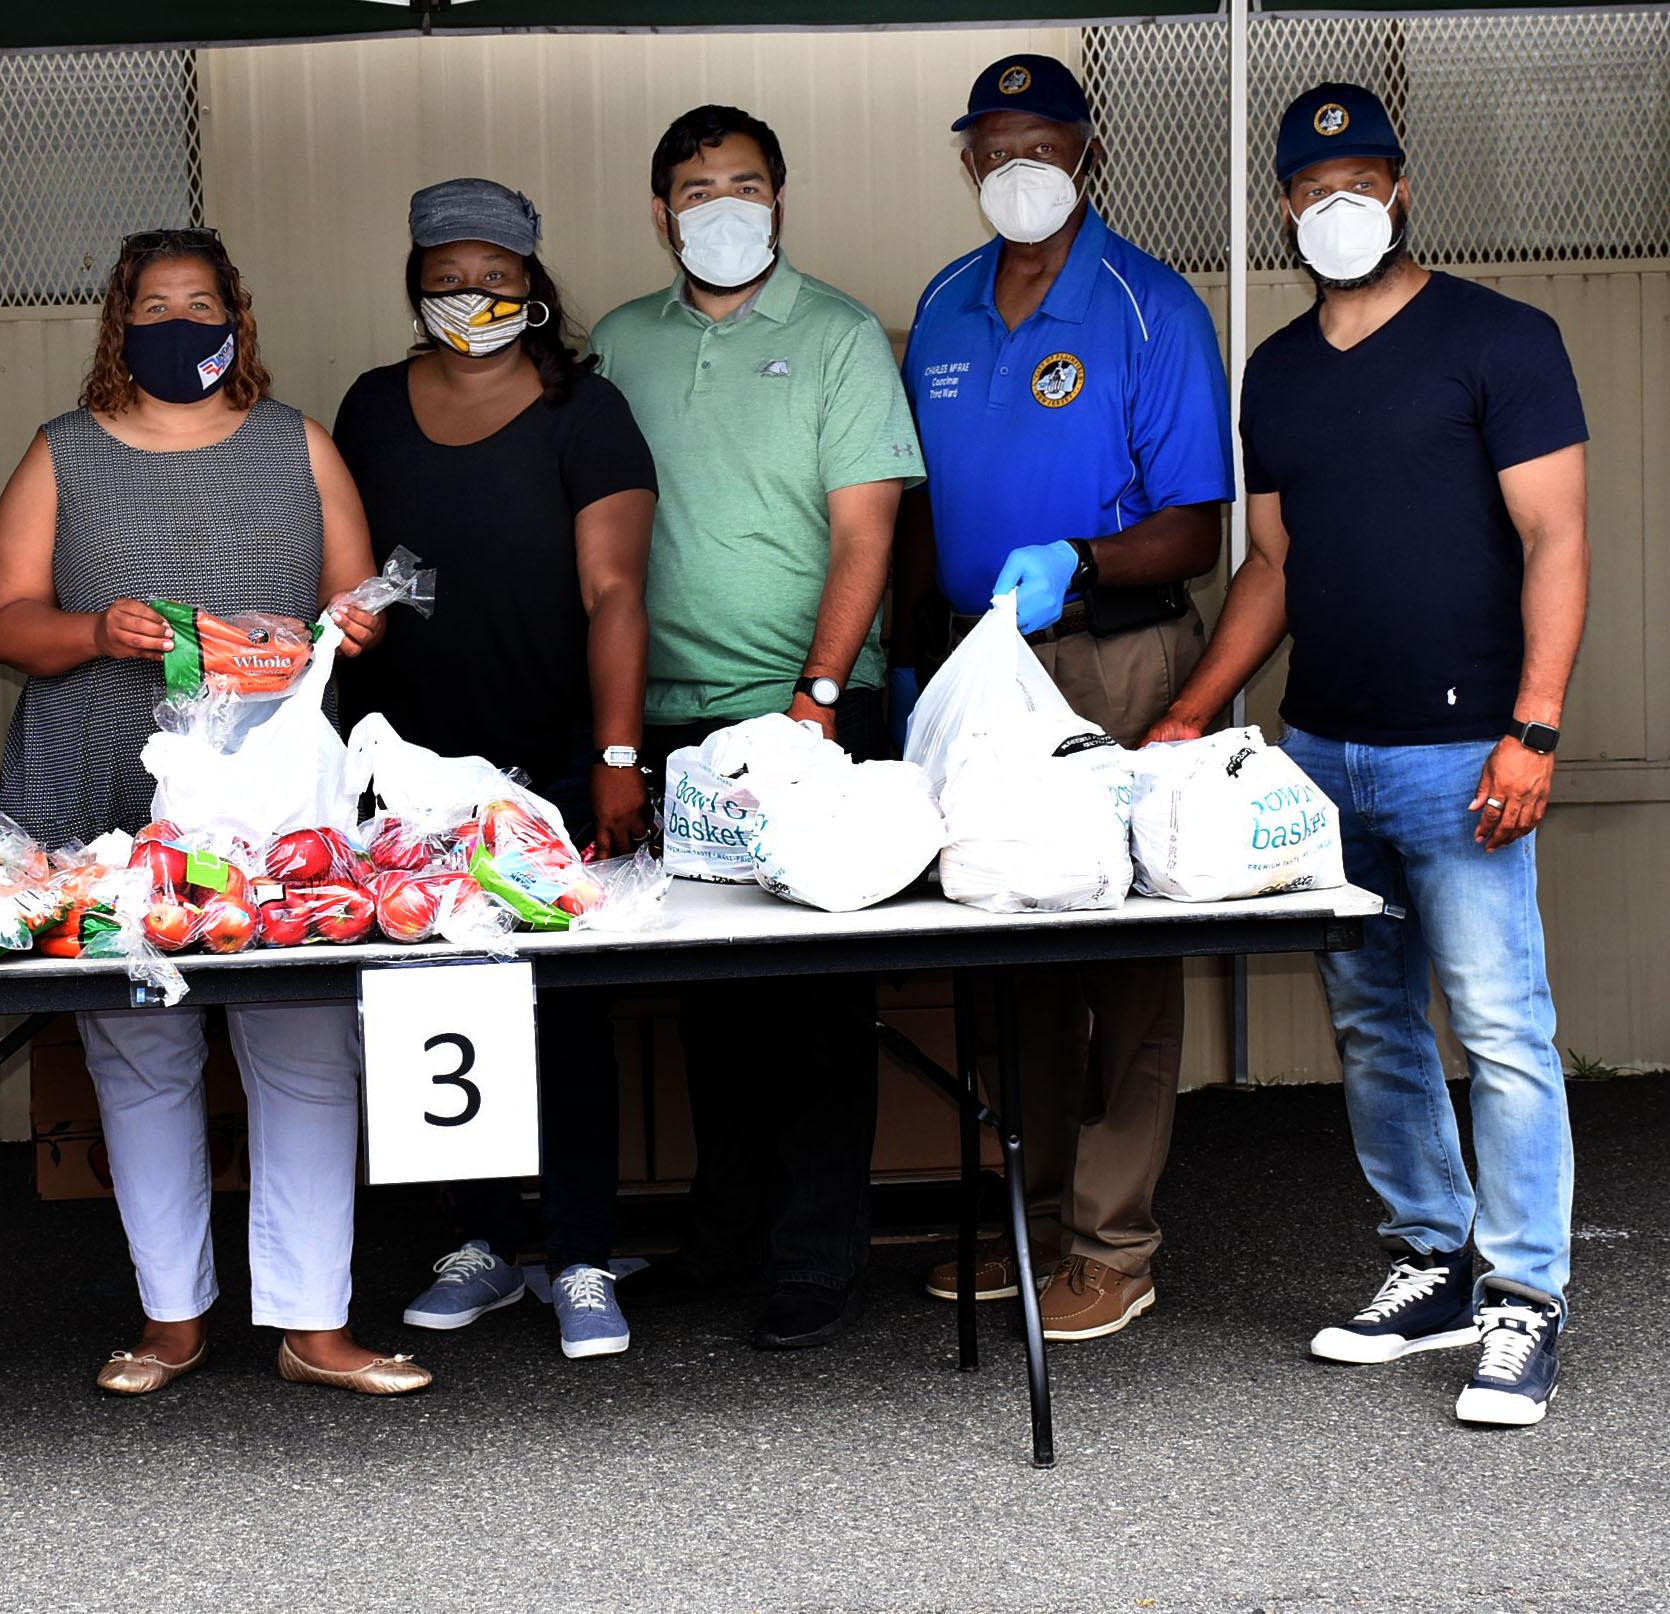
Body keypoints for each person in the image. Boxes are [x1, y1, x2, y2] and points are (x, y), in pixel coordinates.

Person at [1144, 84, 1588, 1424]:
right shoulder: (1273, 369)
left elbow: (1554, 540)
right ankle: (1426, 1262)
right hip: (1321, 751)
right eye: (1312, 181)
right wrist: (1190, 706)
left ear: (1398, 187)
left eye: (1362, 175)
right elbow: (1271, 565)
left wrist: (1535, 723)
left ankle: (1523, 1299)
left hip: (1464, 752)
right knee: (1371, 1020)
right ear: (1282, 202)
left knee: (1501, 1025)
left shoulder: (1500, 340)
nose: (1337, 200)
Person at [0, 227, 428, 1398]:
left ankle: (312, 1320)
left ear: (240, 317)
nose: (180, 323)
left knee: (306, 1047)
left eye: (200, 301)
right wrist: (94, 631)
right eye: (154, 304)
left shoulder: (298, 445)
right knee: (140, 1051)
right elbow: (2, 622)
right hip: (105, 785)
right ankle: (170, 1316)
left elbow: (356, 592)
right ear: (120, 324)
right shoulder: (62, 453)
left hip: (269, 796)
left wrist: (358, 619)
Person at [900, 56, 1233, 1341]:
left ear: (1085, 153)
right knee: (1012, 942)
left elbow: (1198, 531)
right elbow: (920, 498)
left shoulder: (1149, 307)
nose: (1017, 170)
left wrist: (1081, 562)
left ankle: (1115, 1243)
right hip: (981, 672)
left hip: (1114, 655)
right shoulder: (942, 305)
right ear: (968, 159)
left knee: (1124, 958)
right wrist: (913, 655)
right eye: (994, 148)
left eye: (1042, 145)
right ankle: (1034, 1228)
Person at [589, 105, 923, 1350]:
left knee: (817, 1007)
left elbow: (868, 532)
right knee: (708, 1003)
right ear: (660, 210)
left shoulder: (837, 336)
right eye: (694, 186)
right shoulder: (620, 342)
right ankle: (722, 1236)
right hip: (669, 724)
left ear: (781, 200)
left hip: (810, 718)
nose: (720, 205)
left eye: (744, 184)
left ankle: (815, 1258)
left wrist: (820, 699)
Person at [333, 178, 658, 1359]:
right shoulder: (369, 408)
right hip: (406, 770)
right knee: (439, 1000)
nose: (472, 295)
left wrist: (617, 754)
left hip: (554, 763)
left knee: (564, 1011)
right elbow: (349, 573)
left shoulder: (586, 409)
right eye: (448, 275)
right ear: (416, 283)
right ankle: (477, 1238)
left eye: (495, 274)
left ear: (534, 278)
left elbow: (616, 589)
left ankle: (578, 1252)